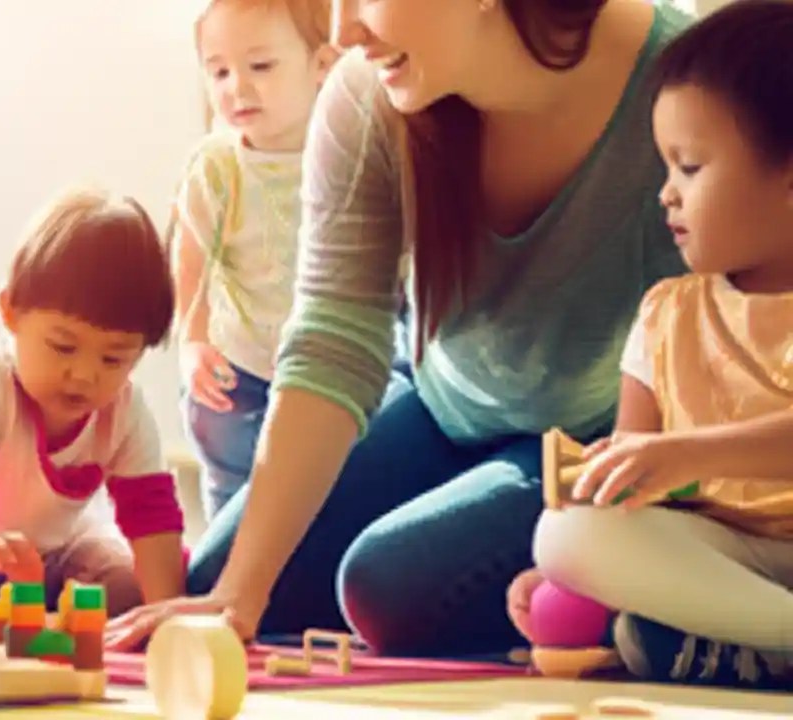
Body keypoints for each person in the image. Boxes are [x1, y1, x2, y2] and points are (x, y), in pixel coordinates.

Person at [109, 0, 693, 655]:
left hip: (589, 446)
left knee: (385, 590)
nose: (342, 32)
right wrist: (239, 594)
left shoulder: (686, 84)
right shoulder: (367, 95)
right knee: (219, 578)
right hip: (438, 402)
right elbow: (334, 342)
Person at [512, 0, 793, 690]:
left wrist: (688, 454)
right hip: (729, 559)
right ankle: (771, 639)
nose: (666, 195)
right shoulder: (666, 314)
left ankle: (734, 641)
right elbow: (632, 485)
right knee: (567, 536)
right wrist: (578, 546)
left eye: (690, 168)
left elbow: (681, 457)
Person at [0, 189, 185, 616]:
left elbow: (151, 514)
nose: (84, 375)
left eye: (113, 358)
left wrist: (165, 613)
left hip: (49, 555)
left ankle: (44, 612)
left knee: (125, 583)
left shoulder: (124, 411)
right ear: (9, 312)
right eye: (63, 347)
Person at [172, 0, 337, 519]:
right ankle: (226, 558)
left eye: (260, 66)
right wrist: (193, 340)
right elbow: (193, 262)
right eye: (218, 71)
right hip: (239, 365)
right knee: (231, 473)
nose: (235, 87)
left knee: (326, 492)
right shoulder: (217, 167)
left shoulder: (346, 150)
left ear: (322, 66)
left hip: (326, 370)